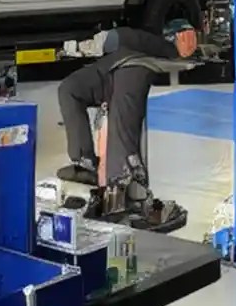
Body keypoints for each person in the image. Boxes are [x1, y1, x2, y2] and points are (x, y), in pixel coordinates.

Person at [56, 20, 199, 186]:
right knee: (70, 89)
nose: (188, 42)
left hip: (130, 68)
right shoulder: (155, 44)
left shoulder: (152, 44)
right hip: (115, 67)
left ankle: (122, 178)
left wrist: (84, 46)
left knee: (120, 118)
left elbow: (116, 38)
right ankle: (87, 163)